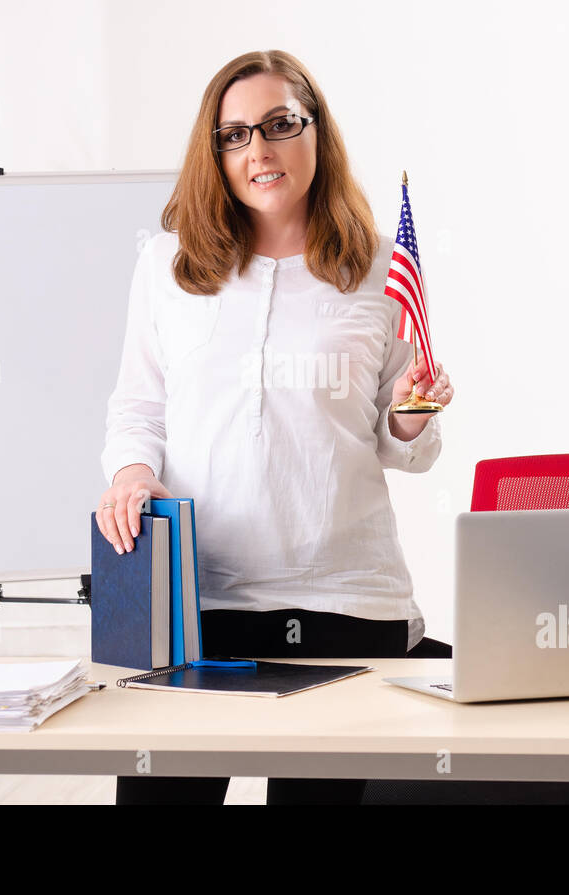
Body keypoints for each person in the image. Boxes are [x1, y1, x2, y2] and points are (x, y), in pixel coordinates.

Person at [95, 49, 454, 805]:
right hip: (202, 605)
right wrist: (131, 473)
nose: (258, 148)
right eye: (234, 134)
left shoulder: (379, 272)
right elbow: (139, 405)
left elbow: (405, 446)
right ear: (215, 152)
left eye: (279, 124)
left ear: (316, 133)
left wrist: (411, 414)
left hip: (347, 605)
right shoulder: (168, 267)